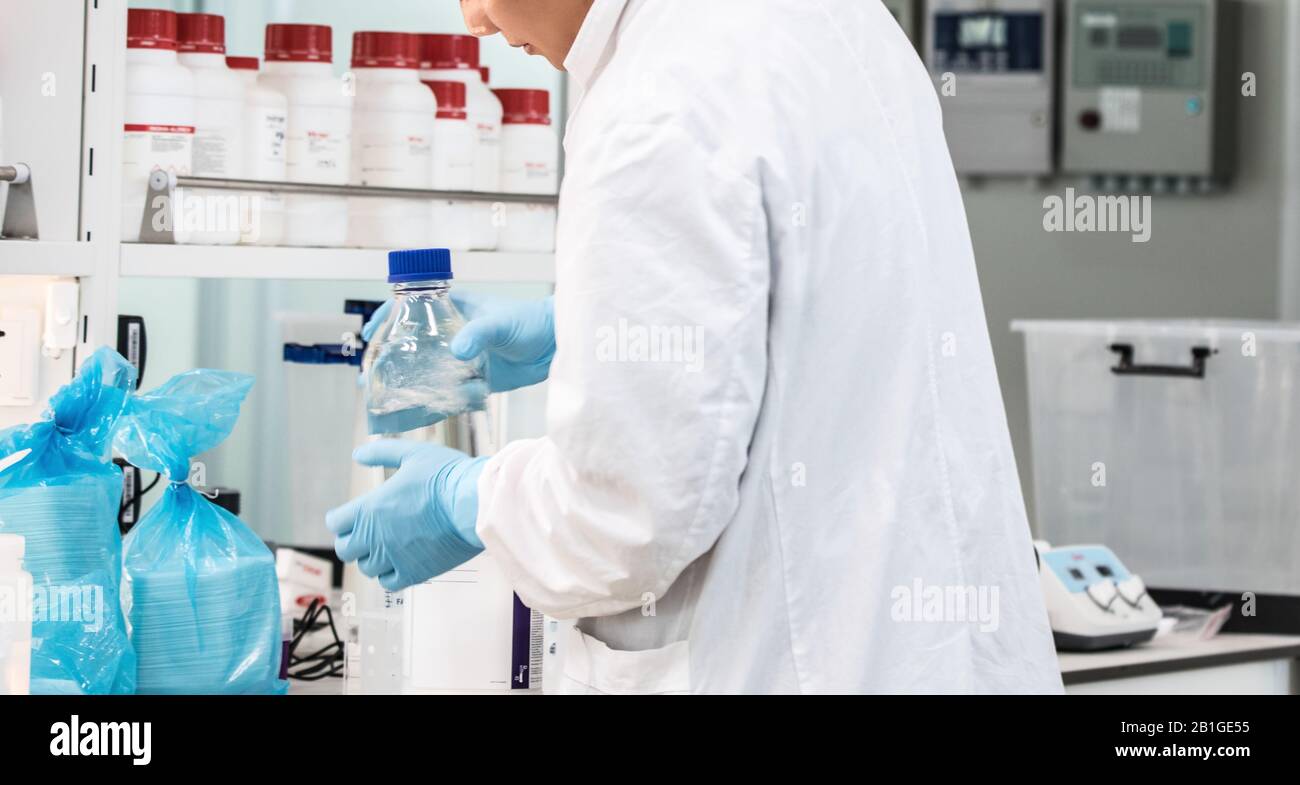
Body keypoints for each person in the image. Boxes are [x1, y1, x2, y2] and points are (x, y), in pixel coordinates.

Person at [327, 0, 1064, 694]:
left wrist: (467, 500)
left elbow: (621, 522)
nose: (476, 20)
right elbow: (828, 289)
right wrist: (589, 324)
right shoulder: (829, 19)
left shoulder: (657, 98)